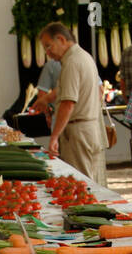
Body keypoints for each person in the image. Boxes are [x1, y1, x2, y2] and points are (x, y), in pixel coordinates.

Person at [40, 22, 107, 185]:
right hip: (89, 129)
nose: (48, 53)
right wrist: (47, 99)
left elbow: (68, 103)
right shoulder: (82, 56)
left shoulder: (72, 62)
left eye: (49, 47)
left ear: (61, 39)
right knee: (92, 181)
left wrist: (54, 136)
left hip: (79, 132)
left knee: (83, 185)